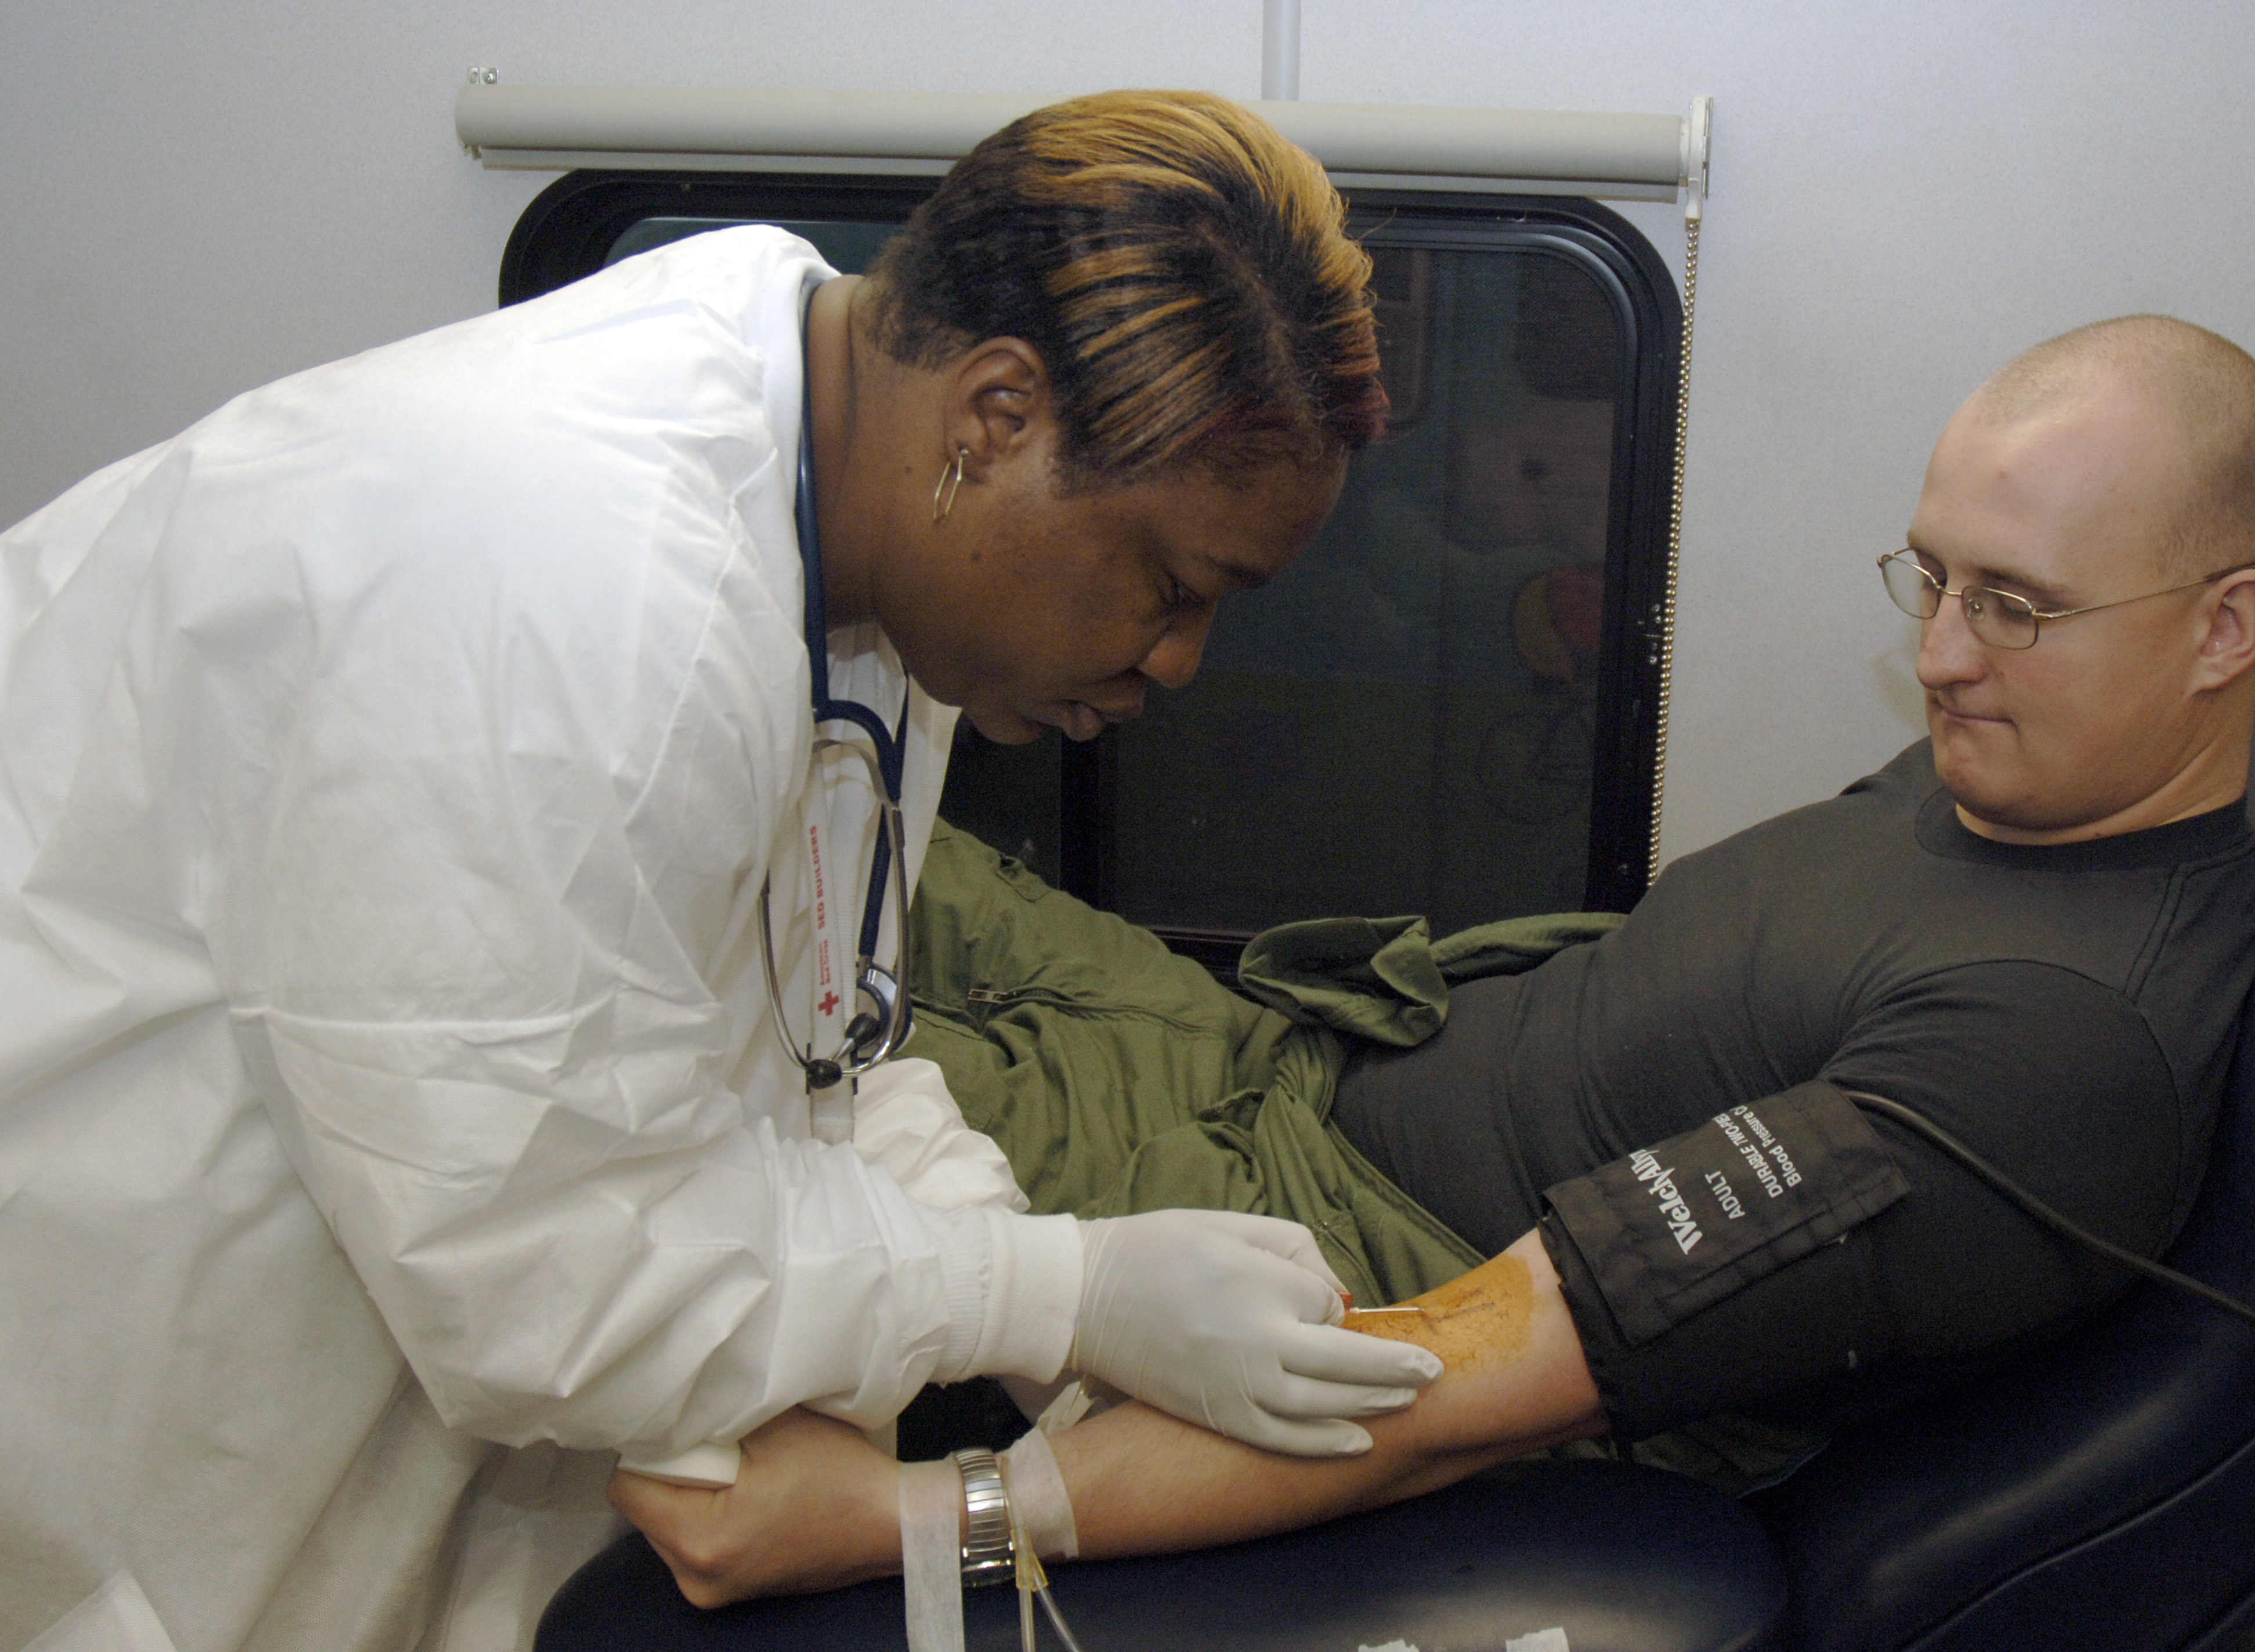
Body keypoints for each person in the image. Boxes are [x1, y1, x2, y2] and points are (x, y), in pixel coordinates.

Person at [0, 91, 1447, 1652]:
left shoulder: (863, 520)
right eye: (1173, 584)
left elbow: (820, 1029)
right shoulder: (557, 596)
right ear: (999, 414)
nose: (1177, 661)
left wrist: (1065, 1338)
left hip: (397, 1300)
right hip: (119, 1328)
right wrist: (1054, 1292)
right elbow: (541, 1274)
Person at [601, 313, 2255, 1609]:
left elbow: (1441, 1384)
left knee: (666, 1054)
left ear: (2228, 627)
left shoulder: (2060, 1049)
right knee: (800, 807)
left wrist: (918, 1525)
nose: (1939, 656)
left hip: (1294, 1221)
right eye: (1934, 581)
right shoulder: (2020, 778)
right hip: (1262, 1050)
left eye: (2013, 605)